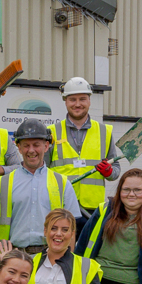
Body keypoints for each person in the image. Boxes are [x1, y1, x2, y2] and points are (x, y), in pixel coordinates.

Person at [48, 76, 123, 228]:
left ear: (89, 100)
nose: (77, 104)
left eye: (82, 99)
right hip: (61, 206)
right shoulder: (51, 132)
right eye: (72, 99)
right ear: (65, 101)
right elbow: (42, 170)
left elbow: (115, 170)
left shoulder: (104, 132)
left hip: (93, 210)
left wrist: (109, 172)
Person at [0, 119, 82, 252]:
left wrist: (69, 259)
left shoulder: (62, 183)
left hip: (51, 256)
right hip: (14, 256)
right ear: (18, 147)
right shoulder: (3, 183)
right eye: (26, 145)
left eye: (36, 145)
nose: (31, 150)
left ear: (46, 146)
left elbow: (70, 228)